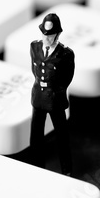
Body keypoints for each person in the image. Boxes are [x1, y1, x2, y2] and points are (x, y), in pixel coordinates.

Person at [29, 12, 74, 175]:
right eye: (44, 33)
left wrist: (56, 90)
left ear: (58, 34)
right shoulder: (34, 46)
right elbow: (34, 69)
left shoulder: (66, 54)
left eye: (50, 35)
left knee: (61, 137)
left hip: (55, 99)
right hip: (38, 97)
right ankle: (37, 168)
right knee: (36, 137)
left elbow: (67, 77)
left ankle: (67, 171)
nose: (46, 37)